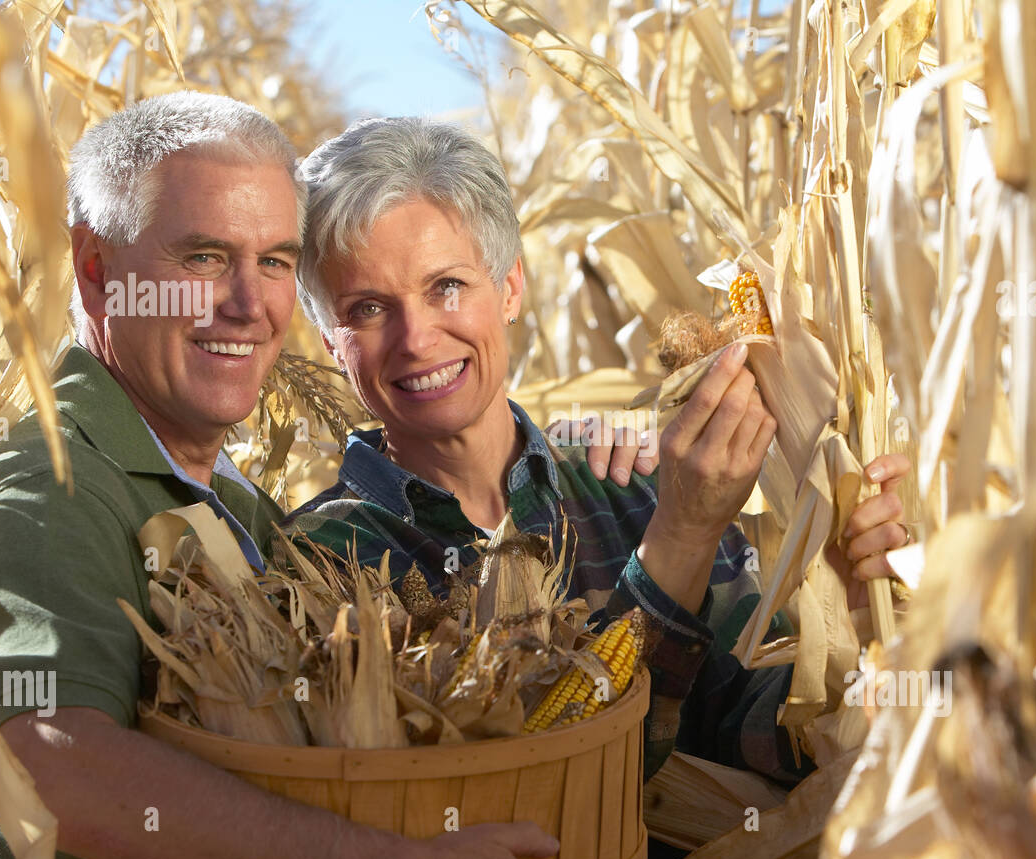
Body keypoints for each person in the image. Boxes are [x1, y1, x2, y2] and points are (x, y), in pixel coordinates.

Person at [0, 91, 588, 859]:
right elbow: (57, 771)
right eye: (203, 258)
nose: (249, 305)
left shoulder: (235, 502)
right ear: (97, 272)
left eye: (276, 262)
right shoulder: (47, 488)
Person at [286, 118, 913, 783]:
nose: (416, 339)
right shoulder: (324, 564)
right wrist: (679, 542)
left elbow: (747, 744)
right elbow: (540, 791)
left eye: (447, 287)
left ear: (510, 288)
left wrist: (839, 618)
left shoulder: (634, 485)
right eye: (368, 309)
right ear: (329, 339)